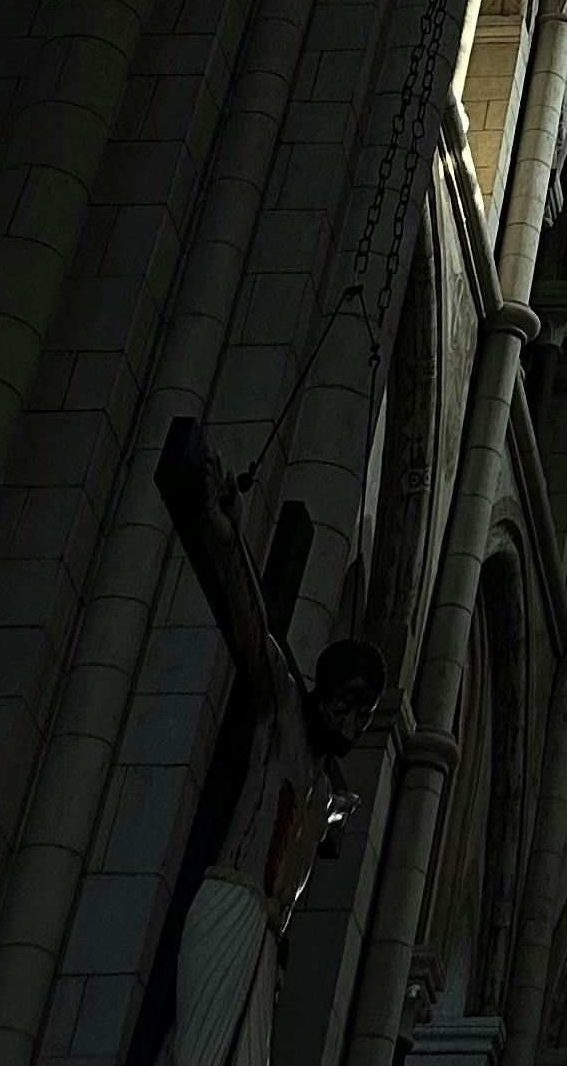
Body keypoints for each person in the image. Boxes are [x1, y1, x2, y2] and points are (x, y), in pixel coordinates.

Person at [154, 421, 385, 1066]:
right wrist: (227, 537)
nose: (355, 719)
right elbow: (253, 622)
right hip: (232, 899)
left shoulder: (327, 789)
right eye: (350, 700)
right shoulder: (284, 705)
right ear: (326, 690)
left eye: (367, 712)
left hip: (267, 939)